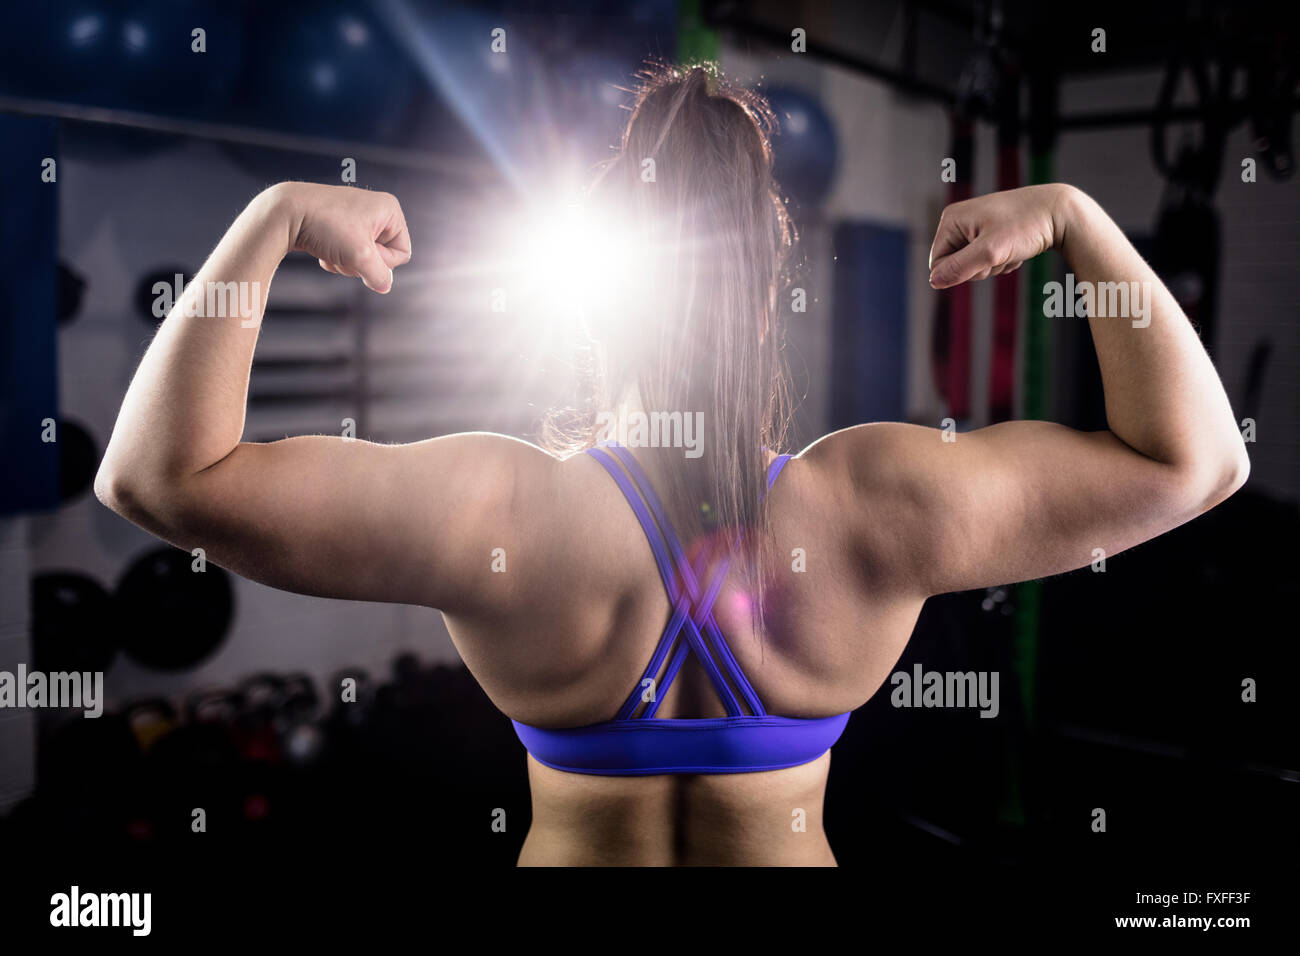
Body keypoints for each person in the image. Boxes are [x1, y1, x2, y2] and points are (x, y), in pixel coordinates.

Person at [95, 65, 1249, 866]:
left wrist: (276, 213)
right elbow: (1195, 461)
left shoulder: (504, 508)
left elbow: (156, 477)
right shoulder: (873, 503)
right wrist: (1076, 218)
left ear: (597, 301)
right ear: (764, 298)